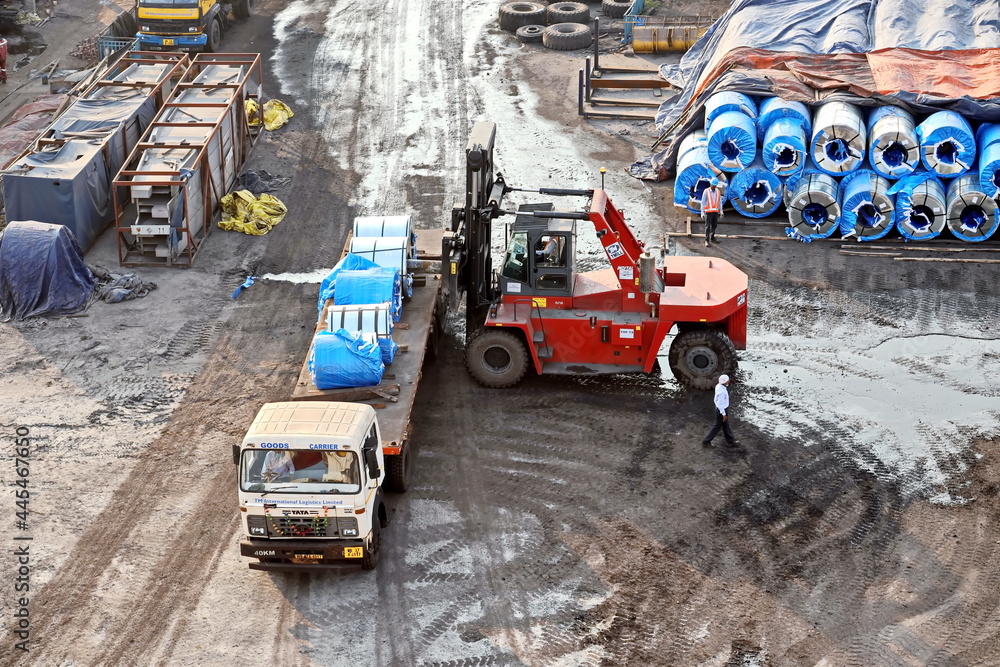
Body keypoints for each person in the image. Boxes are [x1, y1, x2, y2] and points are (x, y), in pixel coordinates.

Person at [702, 374, 740, 447]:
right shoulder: (722, 392)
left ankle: (730, 440)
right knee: (717, 427)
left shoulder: (718, 386)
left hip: (719, 409)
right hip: (721, 410)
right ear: (725, 382)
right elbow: (720, 404)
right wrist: (724, 414)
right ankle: (706, 441)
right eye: (727, 380)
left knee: (725, 425)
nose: (728, 381)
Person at [700, 178, 723, 247]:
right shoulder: (706, 191)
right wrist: (702, 212)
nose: (714, 186)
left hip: (715, 212)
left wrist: (721, 211)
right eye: (713, 185)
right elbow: (703, 202)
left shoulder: (718, 192)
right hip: (708, 212)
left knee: (714, 225)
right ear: (710, 184)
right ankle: (707, 240)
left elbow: (720, 202)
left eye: (715, 185)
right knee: (708, 226)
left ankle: (712, 238)